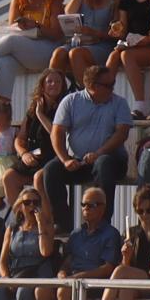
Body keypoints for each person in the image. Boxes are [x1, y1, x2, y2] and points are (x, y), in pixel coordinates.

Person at [48, 62, 134, 221]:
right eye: (108, 85)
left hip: (111, 160)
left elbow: (122, 133)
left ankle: (102, 222)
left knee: (103, 164)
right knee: (51, 170)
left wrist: (99, 153)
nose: (112, 88)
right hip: (78, 162)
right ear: (92, 86)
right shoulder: (71, 101)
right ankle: (62, 222)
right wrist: (65, 159)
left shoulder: (119, 103)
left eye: (113, 84)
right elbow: (57, 132)